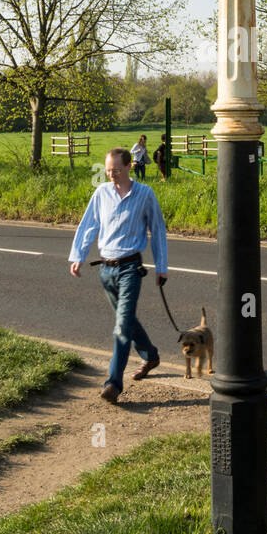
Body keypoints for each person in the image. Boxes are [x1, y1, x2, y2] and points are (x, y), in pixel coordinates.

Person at [68, 147, 167, 404]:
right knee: (127, 320)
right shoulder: (101, 193)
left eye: (117, 170)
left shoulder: (144, 194)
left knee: (122, 327)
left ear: (129, 167)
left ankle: (113, 383)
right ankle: (151, 355)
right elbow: (89, 225)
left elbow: (157, 230)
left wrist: (162, 266)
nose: (112, 175)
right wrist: (77, 256)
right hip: (106, 269)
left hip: (130, 268)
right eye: (109, 170)